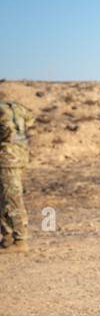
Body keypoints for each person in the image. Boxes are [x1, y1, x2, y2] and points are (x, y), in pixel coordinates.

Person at [0, 89, 33, 251]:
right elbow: (31, 119)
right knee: (6, 197)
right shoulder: (16, 107)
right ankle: (7, 237)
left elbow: (5, 131)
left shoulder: (2, 110)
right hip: (18, 156)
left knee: (11, 198)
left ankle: (20, 240)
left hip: (6, 159)